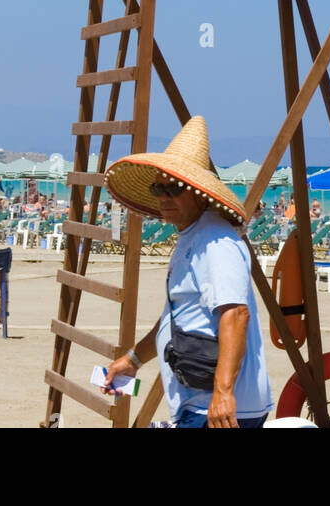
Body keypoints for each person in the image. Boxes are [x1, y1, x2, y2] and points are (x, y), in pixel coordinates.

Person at [101, 117, 272, 428]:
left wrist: (223, 394)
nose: (164, 197)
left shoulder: (215, 241)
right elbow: (179, 318)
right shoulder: (193, 235)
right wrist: (133, 359)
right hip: (199, 404)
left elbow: (235, 314)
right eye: (159, 188)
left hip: (216, 409)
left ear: (197, 192)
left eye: (175, 188)